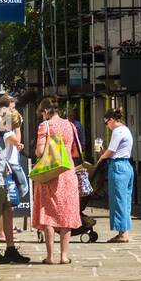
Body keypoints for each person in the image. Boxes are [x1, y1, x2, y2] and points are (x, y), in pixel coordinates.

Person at [32, 95, 82, 265]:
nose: (42, 116)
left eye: (41, 113)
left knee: (48, 215)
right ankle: (64, 256)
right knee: (66, 214)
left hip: (49, 175)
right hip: (67, 174)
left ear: (46, 111)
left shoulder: (44, 126)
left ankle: (50, 256)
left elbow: (39, 152)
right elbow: (76, 152)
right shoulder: (70, 125)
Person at [0, 115, 31, 265]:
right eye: (12, 127)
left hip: (2, 181)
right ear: (6, 123)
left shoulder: (1, 135)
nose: (12, 131)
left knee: (8, 213)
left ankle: (10, 249)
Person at [97, 107, 134, 241]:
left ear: (112, 120)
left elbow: (112, 151)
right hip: (127, 166)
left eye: (106, 123)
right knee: (125, 200)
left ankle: (122, 233)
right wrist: (103, 152)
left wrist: (101, 158)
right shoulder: (126, 129)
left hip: (118, 166)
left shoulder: (117, 131)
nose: (107, 126)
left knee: (118, 200)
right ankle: (125, 231)